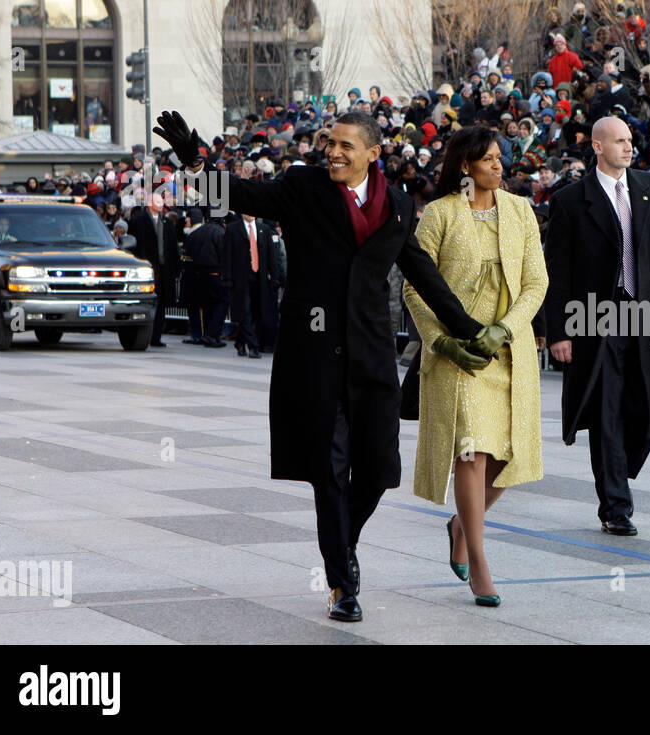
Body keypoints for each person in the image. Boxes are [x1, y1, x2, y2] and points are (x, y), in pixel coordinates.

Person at [153, 109, 488, 623]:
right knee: (329, 472)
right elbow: (244, 196)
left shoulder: (397, 206)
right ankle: (343, 582)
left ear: (374, 154)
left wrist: (469, 328)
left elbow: (423, 273)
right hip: (314, 355)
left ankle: (342, 541)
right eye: (330, 142)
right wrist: (197, 162)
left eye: (346, 146)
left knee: (378, 470)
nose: (332, 151)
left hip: (372, 357)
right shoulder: (302, 187)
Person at [403, 126, 547, 607]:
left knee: (508, 456)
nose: (497, 165)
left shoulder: (521, 210)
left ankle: (461, 526)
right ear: (465, 165)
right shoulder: (440, 214)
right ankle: (481, 563)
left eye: (499, 158)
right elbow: (414, 286)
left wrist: (504, 329)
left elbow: (535, 283)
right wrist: (442, 342)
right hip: (459, 358)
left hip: (509, 351)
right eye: (486, 159)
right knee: (472, 450)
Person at [544, 116, 650, 537]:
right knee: (606, 411)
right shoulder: (571, 200)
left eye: (631, 140)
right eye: (620, 141)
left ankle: (618, 469)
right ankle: (615, 504)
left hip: (649, 315)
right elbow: (557, 271)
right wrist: (558, 331)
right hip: (595, 317)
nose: (629, 147)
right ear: (597, 146)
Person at [127, 191, 180, 347]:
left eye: (161, 201)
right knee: (145, 302)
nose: (161, 203)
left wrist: (175, 268)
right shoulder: (138, 220)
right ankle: (142, 334)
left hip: (164, 270)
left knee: (162, 303)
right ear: (150, 202)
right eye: (157, 201)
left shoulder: (167, 223)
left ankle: (156, 336)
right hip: (147, 268)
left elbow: (173, 247)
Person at [224, 213, 281, 358]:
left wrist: (275, 277)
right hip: (240, 278)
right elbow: (227, 254)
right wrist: (228, 278)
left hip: (259, 278)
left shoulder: (264, 229)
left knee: (256, 312)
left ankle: (240, 341)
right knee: (244, 311)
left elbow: (271, 256)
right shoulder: (232, 229)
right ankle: (253, 345)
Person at [180, 208, 228, 348]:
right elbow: (223, 254)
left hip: (199, 273)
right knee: (222, 303)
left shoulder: (196, 232)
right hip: (215, 272)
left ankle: (207, 333)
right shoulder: (219, 232)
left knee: (207, 305)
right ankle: (212, 335)